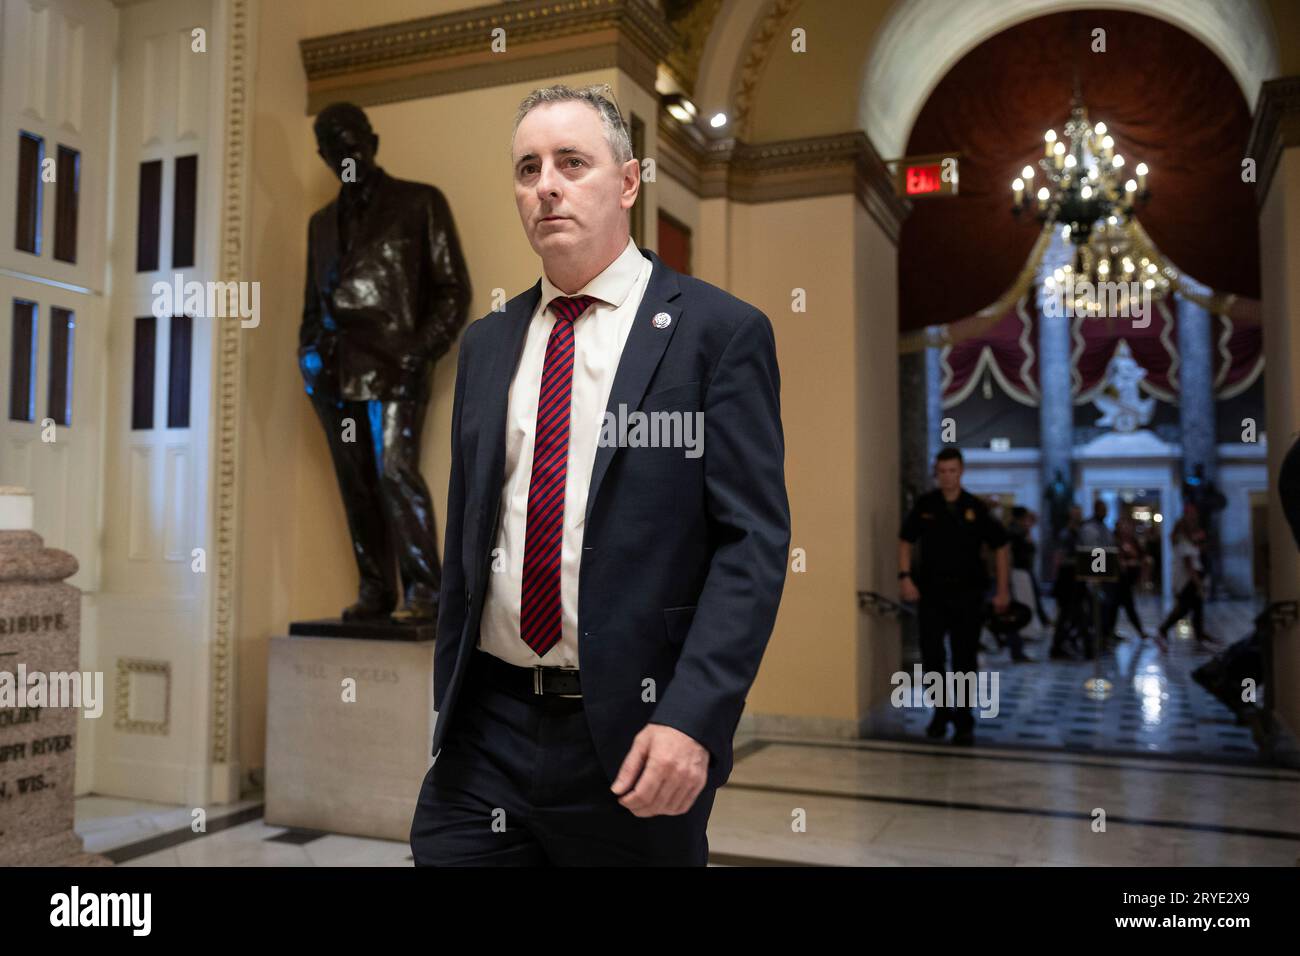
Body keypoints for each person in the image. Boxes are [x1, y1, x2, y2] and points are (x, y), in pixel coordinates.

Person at [409, 85, 791, 865]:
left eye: (571, 162)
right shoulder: (487, 344)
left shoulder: (716, 335)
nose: (545, 184)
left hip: (633, 738)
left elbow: (750, 546)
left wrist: (694, 716)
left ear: (627, 182)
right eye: (527, 168)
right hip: (487, 731)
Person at [298, 102, 473, 623]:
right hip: (336, 376)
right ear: (324, 157)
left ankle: (427, 590)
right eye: (333, 147)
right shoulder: (320, 224)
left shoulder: (418, 202)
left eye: (352, 141)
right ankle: (376, 590)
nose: (345, 153)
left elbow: (452, 291)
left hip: (398, 369)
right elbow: (312, 306)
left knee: (396, 472)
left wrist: (419, 353)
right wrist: (310, 360)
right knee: (357, 485)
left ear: (372, 142)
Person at [898, 447, 1010, 744]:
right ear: (937, 473)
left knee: (964, 659)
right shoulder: (926, 505)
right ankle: (940, 711)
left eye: (952, 471)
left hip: (967, 594)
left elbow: (1001, 545)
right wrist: (905, 577)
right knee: (932, 655)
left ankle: (963, 718)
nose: (947, 477)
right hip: (932, 593)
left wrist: (1002, 589)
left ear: (961, 472)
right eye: (942, 471)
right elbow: (905, 540)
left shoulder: (975, 507)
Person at [1158, 510, 1216, 650]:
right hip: (1187, 582)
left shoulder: (1187, 542)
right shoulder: (1183, 543)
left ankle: (1200, 635)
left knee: (1197, 607)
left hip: (1190, 580)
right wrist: (1198, 584)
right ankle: (1163, 630)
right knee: (1183, 609)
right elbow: (1189, 566)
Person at [1114, 515, 1156, 648]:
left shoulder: (1133, 541)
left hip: (1128, 580)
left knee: (1121, 607)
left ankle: (1138, 631)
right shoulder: (1115, 542)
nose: (1126, 529)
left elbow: (1143, 556)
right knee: (1120, 607)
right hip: (1118, 581)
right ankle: (1138, 631)